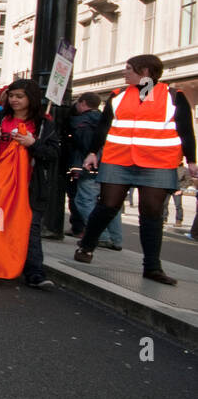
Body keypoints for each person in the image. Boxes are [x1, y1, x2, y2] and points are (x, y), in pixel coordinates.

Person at [76, 54, 198, 285]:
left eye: (129, 69)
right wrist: (92, 152)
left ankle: (152, 267)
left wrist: (191, 160)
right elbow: (103, 127)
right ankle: (86, 245)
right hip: (118, 159)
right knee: (107, 206)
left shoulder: (173, 96)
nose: (124, 72)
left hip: (158, 162)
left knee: (151, 213)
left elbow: (185, 129)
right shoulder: (118, 95)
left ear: (145, 72)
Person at [0, 79, 60, 290]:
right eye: (11, 96)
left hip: (29, 184)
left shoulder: (44, 124)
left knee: (31, 226)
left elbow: (53, 154)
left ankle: (35, 273)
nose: (14, 100)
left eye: (19, 96)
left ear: (31, 98)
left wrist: (33, 144)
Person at [68, 92, 122, 249]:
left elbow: (85, 143)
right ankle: (116, 238)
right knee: (109, 203)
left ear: (83, 103)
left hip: (90, 165)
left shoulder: (83, 121)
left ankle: (101, 236)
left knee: (84, 200)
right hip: (110, 164)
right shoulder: (105, 118)